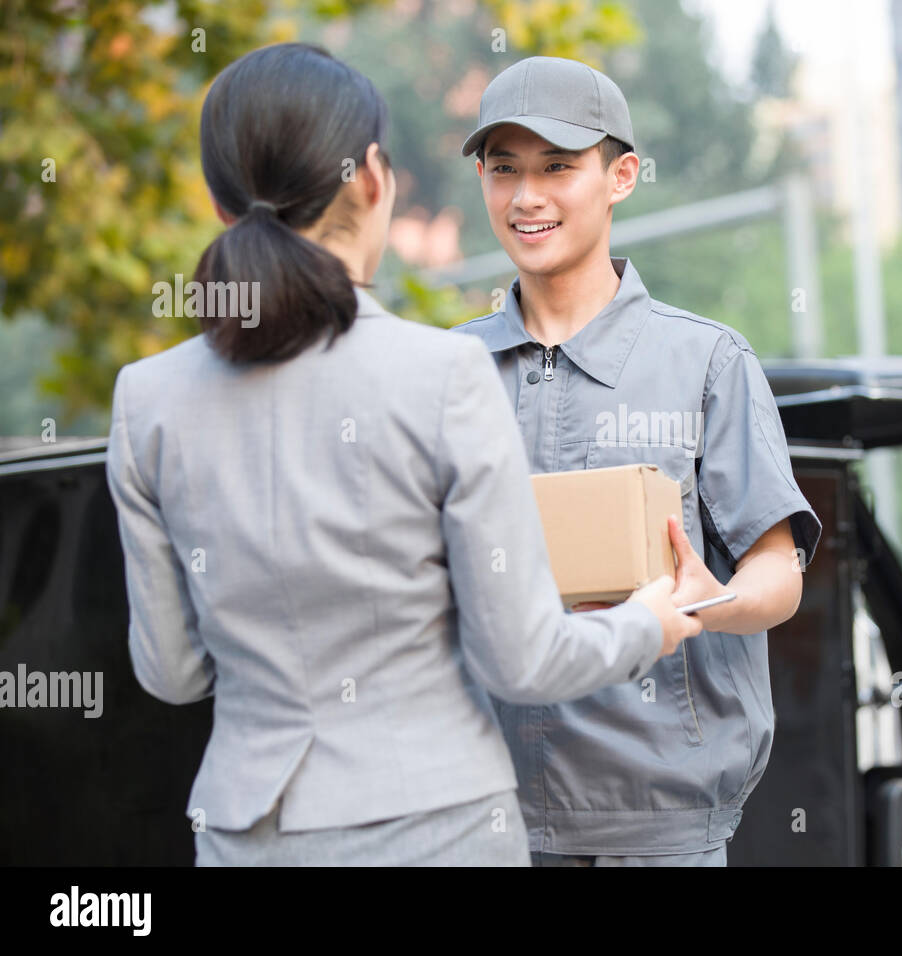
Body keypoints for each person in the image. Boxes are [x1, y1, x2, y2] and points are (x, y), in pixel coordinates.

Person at [105, 42, 701, 867]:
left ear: (219, 204)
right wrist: (648, 624)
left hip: (248, 835)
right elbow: (523, 658)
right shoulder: (444, 374)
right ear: (374, 179)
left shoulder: (147, 401)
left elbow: (171, 672)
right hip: (437, 829)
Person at [455, 56, 823, 866]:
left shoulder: (705, 362)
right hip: (485, 824)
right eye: (503, 169)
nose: (527, 197)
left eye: (557, 167)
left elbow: (780, 574)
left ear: (621, 176)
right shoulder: (444, 373)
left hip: (659, 827)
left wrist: (710, 602)